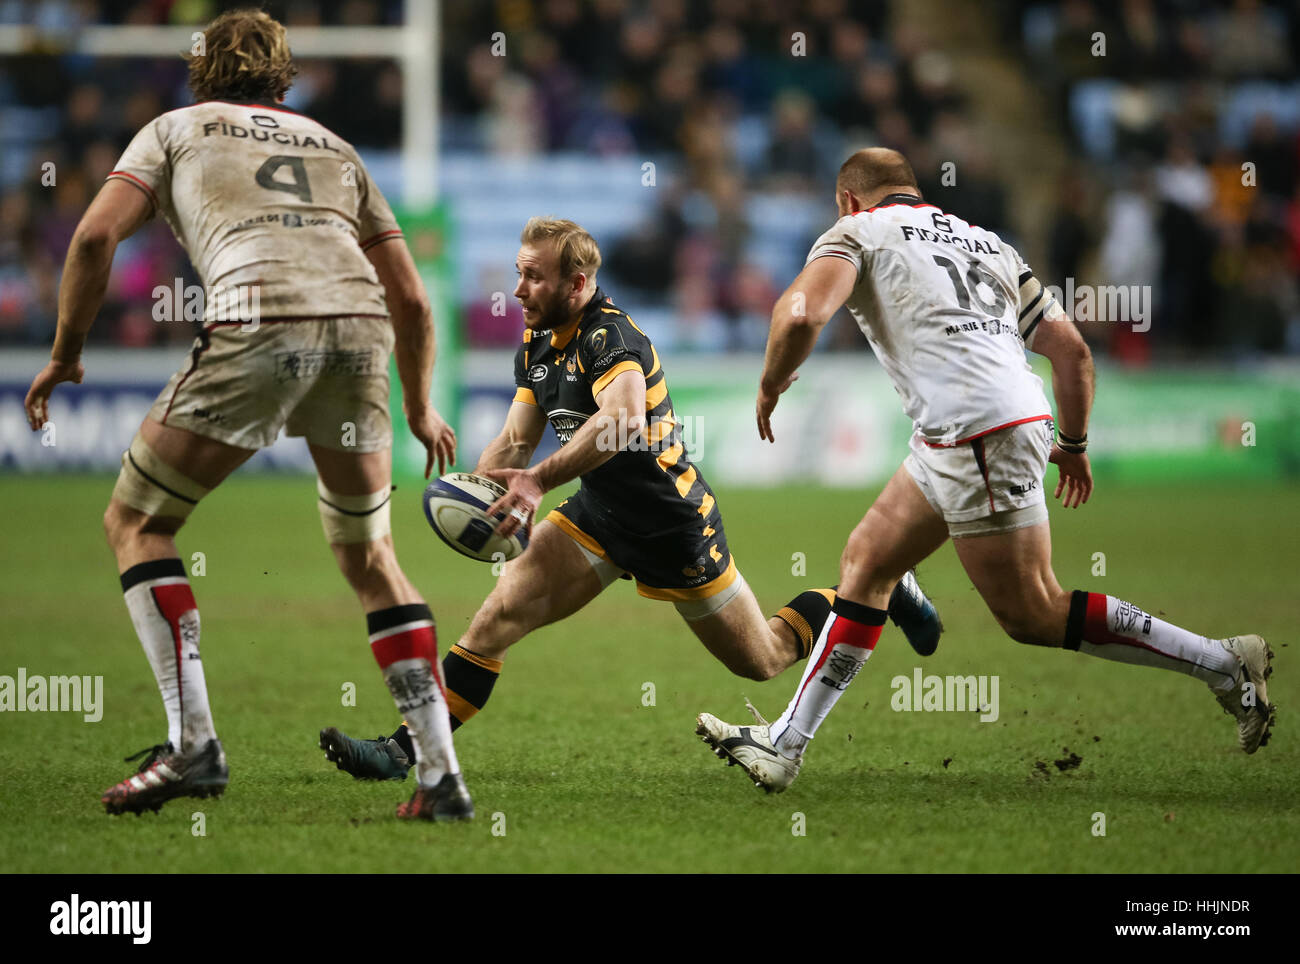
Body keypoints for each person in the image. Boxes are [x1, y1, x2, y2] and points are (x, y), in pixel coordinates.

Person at [696, 148, 1276, 793]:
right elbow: (1073, 353)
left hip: (975, 432)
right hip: (977, 428)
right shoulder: (988, 243)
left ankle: (1223, 665)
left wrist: (772, 381)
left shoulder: (856, 232)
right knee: (868, 562)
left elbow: (801, 312)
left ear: (847, 200)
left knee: (1032, 612)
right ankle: (786, 745)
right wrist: (1074, 443)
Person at [22, 10, 470, 821]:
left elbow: (92, 240)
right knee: (371, 557)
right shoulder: (334, 146)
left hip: (262, 320)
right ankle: (441, 778)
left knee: (136, 524)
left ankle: (193, 746)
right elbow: (410, 294)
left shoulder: (173, 129)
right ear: (284, 77)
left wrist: (63, 354)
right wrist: (418, 403)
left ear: (201, 73)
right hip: (362, 331)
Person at [318, 217, 944, 780]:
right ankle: (407, 753)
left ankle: (876, 593)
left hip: (673, 526)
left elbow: (618, 424)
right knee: (495, 620)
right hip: (597, 516)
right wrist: (488, 490)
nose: (518, 290)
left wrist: (537, 481)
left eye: (534, 278)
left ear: (578, 282)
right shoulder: (536, 347)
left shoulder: (611, 338)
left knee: (762, 658)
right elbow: (514, 439)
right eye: (517, 275)